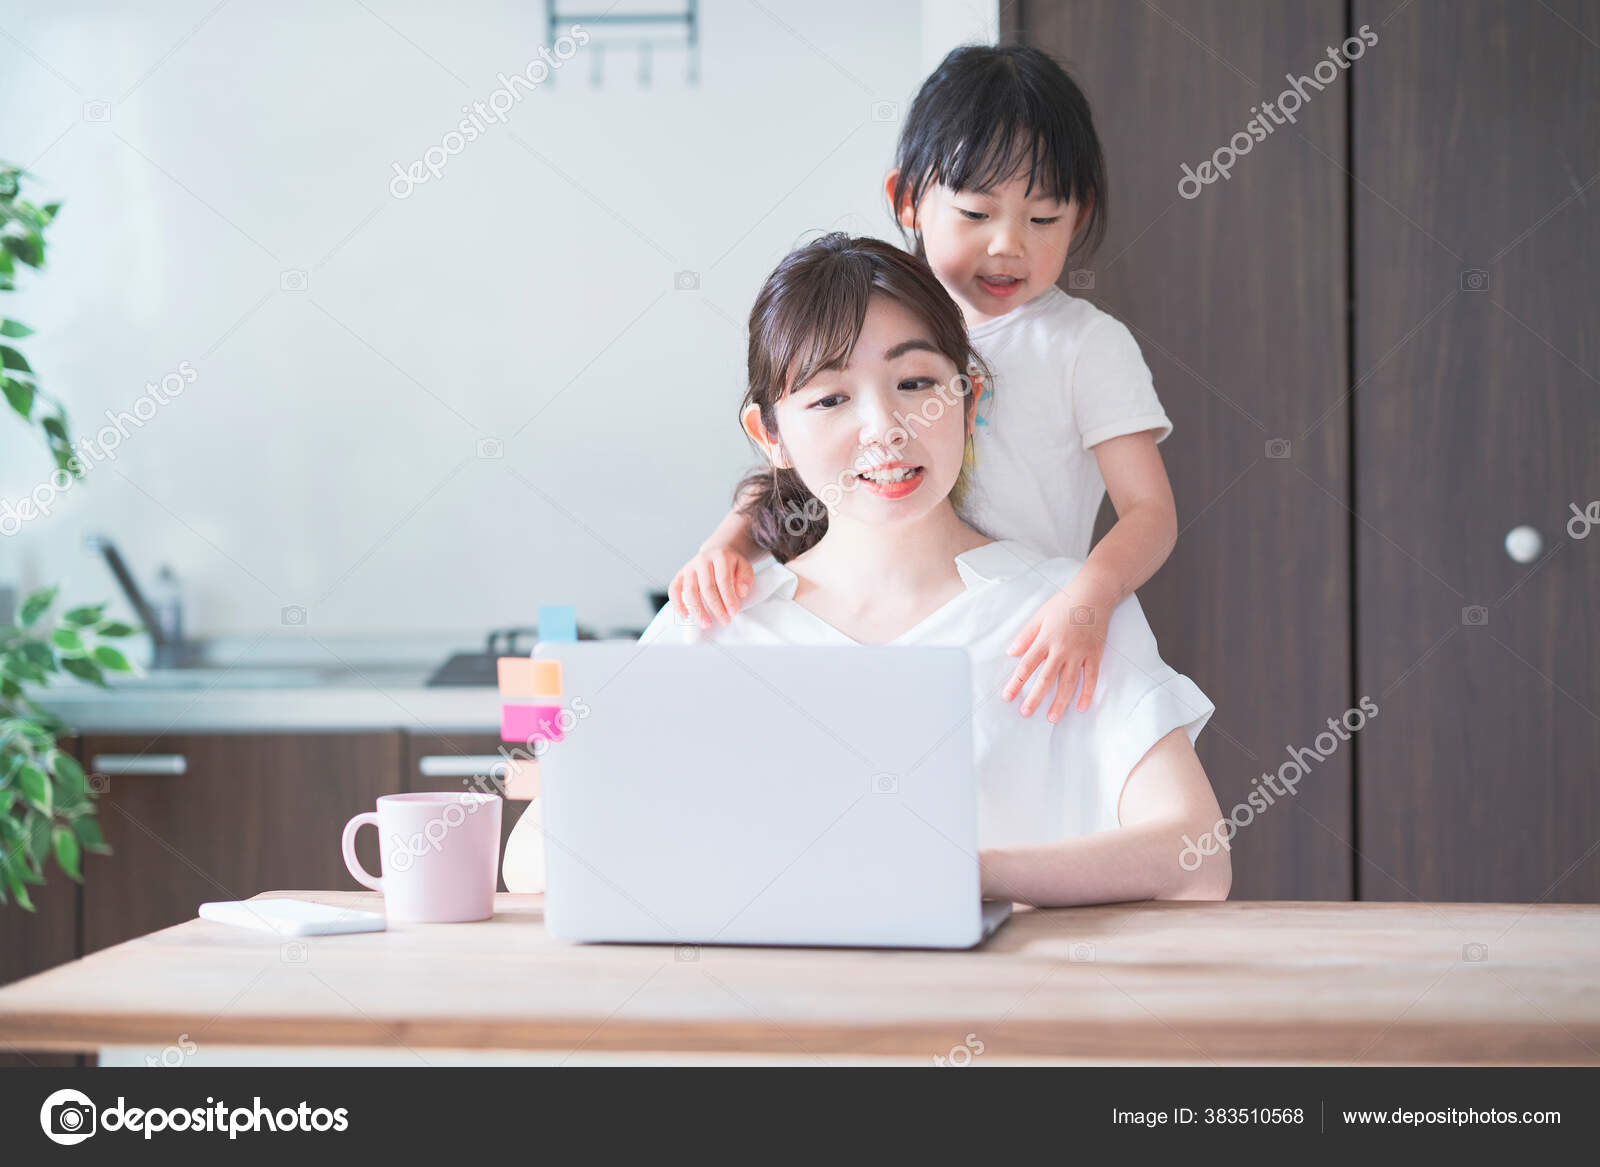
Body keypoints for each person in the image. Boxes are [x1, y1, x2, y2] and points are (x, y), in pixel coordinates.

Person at [504, 235, 1228, 907]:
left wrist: (971, 873)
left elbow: (1199, 855)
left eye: (916, 382)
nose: (884, 427)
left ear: (969, 397)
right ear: (770, 434)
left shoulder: (1069, 614)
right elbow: (531, 851)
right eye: (830, 398)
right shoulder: (714, 620)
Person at [672, 45, 1180, 726]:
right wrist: (725, 546)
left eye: (1043, 219)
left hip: (1019, 635)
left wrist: (1085, 599)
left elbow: (1149, 511)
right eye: (976, 214)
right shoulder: (878, 321)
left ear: (1080, 214)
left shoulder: (1085, 344)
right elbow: (801, 461)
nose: (1008, 246)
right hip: (892, 622)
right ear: (907, 200)